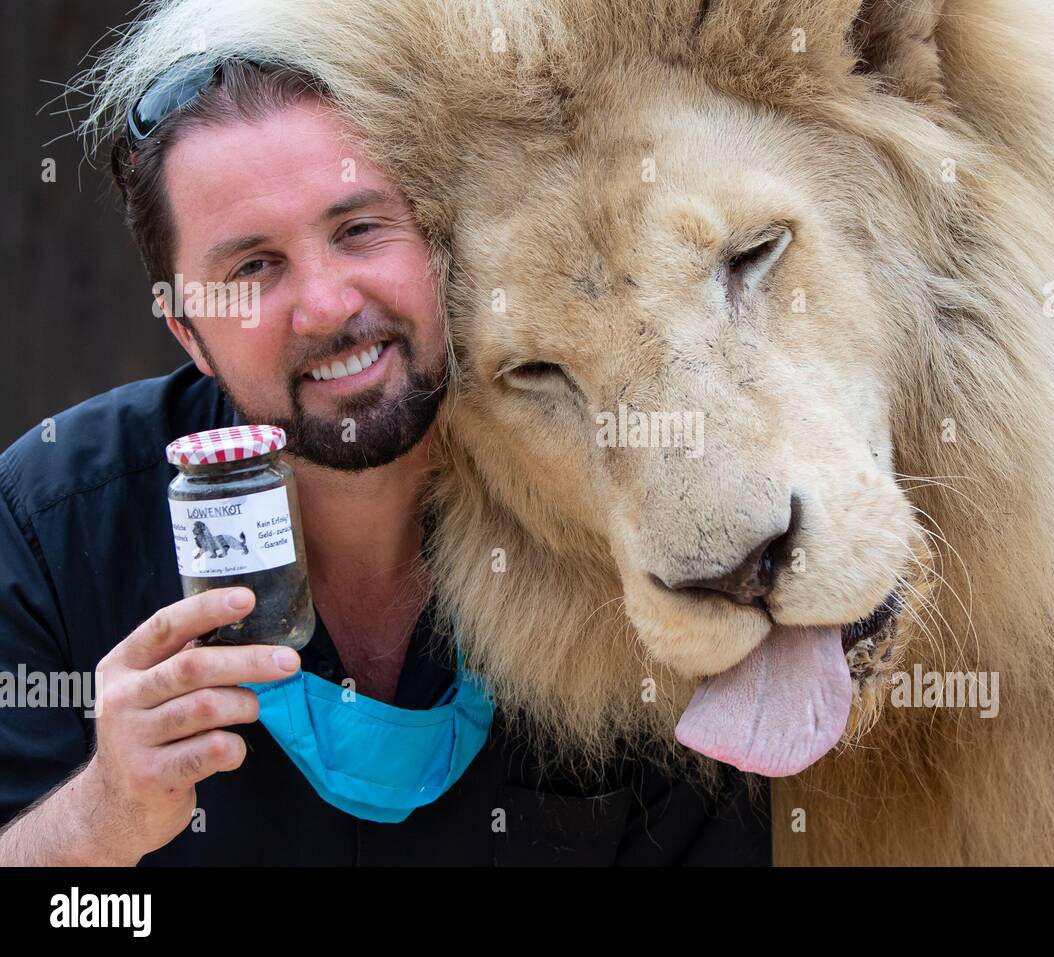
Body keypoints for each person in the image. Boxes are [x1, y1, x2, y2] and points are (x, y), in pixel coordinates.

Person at [0, 57, 770, 865]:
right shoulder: (52, 522)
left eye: (359, 229)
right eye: (253, 267)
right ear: (186, 329)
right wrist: (98, 820)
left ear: (441, 236)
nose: (329, 304)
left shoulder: (615, 483)